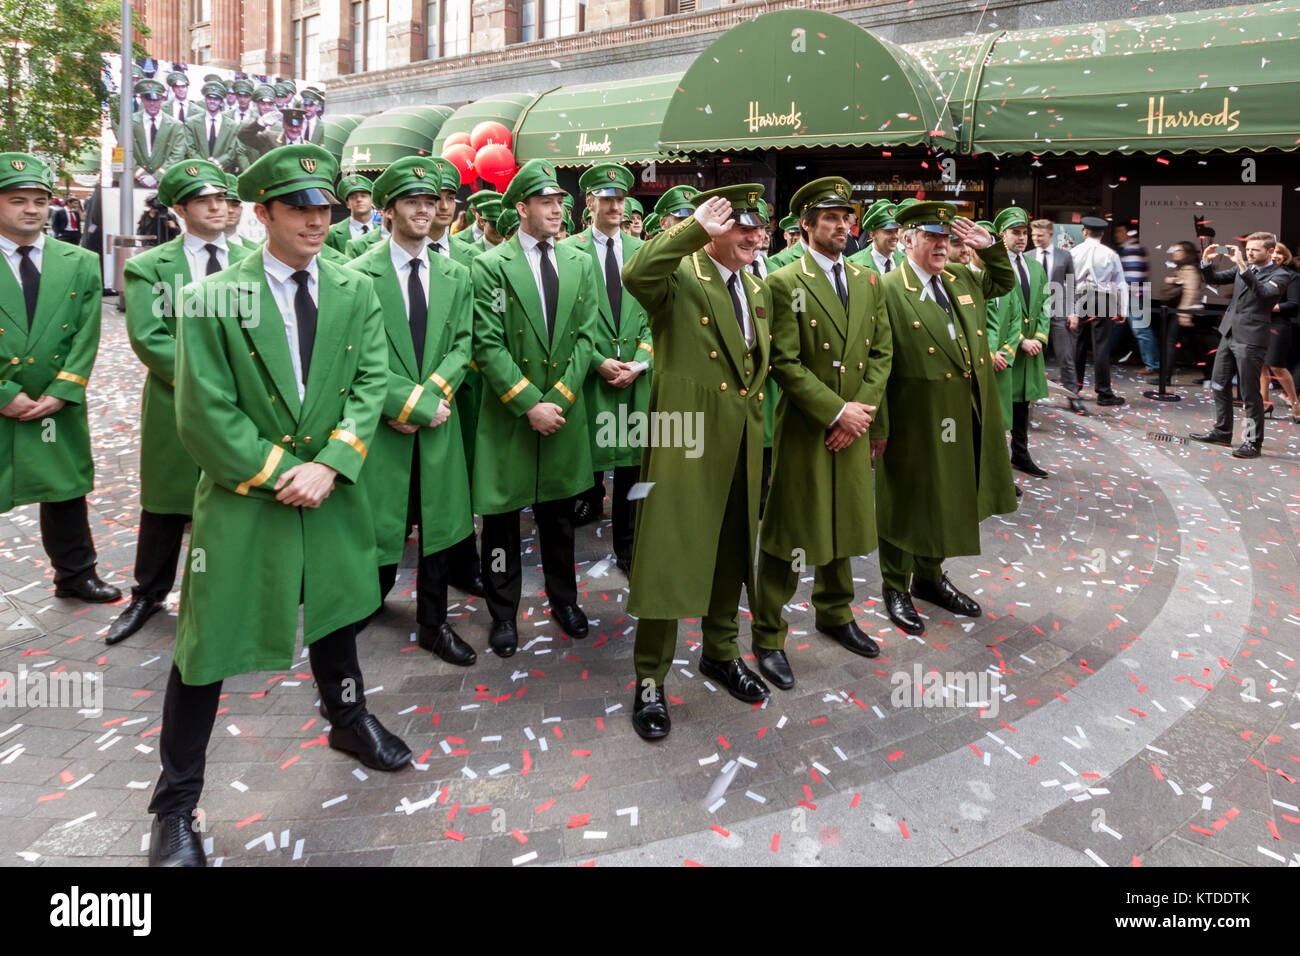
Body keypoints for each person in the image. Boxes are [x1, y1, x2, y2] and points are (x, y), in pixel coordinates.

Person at [147, 144, 409, 867]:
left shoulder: (356, 290)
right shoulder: (211, 298)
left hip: (328, 488)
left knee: (337, 614)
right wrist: (280, 472)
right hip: (245, 497)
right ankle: (174, 806)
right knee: (205, 647)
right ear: (260, 212)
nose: (317, 219)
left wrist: (332, 464)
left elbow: (371, 382)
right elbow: (204, 415)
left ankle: (349, 717)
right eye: (298, 207)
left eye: (324, 205)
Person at [622, 184, 774, 741]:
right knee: (670, 554)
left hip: (738, 438)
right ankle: (649, 678)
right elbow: (636, 274)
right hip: (685, 437)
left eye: (759, 229)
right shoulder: (682, 274)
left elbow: (762, 362)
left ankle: (720, 651)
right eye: (742, 228)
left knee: (731, 551)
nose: (755, 237)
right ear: (714, 231)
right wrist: (689, 231)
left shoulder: (757, 289)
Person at [751, 177, 891, 690]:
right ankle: (768, 635)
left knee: (846, 522)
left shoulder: (867, 281)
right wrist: (836, 413)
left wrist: (862, 413)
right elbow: (783, 363)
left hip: (853, 424)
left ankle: (835, 612)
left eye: (845, 216)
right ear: (805, 225)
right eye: (828, 217)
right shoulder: (784, 281)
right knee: (790, 531)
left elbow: (882, 352)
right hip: (808, 428)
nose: (841, 225)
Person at [108, 161, 251, 645]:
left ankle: (234, 591)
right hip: (177, 402)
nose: (218, 208)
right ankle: (148, 594)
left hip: (245, 404)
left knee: (240, 496)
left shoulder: (254, 257)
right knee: (167, 502)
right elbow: (149, 339)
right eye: (205, 200)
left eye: (224, 199)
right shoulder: (151, 267)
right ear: (179, 208)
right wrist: (211, 383)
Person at [349, 157, 477, 665]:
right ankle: (366, 599)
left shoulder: (456, 274)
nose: (425, 210)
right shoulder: (356, 276)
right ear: (388, 210)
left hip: (437, 420)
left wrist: (428, 402)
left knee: (439, 528)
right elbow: (354, 355)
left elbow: (463, 345)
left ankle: (434, 621)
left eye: (431, 201)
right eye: (412, 202)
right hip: (385, 424)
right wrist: (403, 404)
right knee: (381, 519)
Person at [869, 202, 1018, 635]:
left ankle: (929, 577)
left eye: (945, 237)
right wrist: (879, 425)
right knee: (905, 500)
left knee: (948, 495)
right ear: (908, 240)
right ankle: (895, 586)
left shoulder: (959, 276)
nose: (941, 245)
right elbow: (875, 361)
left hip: (962, 409)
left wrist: (989, 247)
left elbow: (1003, 281)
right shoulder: (886, 288)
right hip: (914, 414)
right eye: (930, 236)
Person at [470, 159, 598, 658]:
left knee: (559, 518)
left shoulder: (577, 261)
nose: (556, 210)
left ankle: (564, 600)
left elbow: (586, 336)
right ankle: (503, 613)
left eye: (560, 202)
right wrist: (530, 404)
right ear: (521, 208)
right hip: (511, 415)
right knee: (501, 521)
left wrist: (560, 398)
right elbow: (488, 342)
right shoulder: (489, 266)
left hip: (562, 413)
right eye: (546, 202)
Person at [0, 152, 121, 604]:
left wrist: (64, 389)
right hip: (3, 399)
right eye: (18, 200)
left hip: (55, 402)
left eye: (39, 200)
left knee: (65, 490)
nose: (31, 209)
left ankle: (76, 575)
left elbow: (87, 332)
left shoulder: (79, 261)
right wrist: (3, 393)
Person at [565, 164, 651, 575]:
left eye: (620, 199)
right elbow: (565, 319)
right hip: (589, 377)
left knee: (633, 467)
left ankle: (630, 549)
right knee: (580, 464)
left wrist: (642, 359)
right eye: (607, 199)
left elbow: (657, 312)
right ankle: (565, 554)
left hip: (635, 378)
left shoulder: (642, 250)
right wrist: (598, 361)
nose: (615, 206)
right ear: (590, 203)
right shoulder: (569, 249)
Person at [1190, 232, 1292, 457]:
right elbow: (1214, 279)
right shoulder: (1242, 268)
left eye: (1255, 250)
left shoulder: (1281, 274)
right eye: (1248, 249)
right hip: (1229, 333)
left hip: (1252, 338)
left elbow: (1264, 293)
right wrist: (1206, 261)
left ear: (1270, 251)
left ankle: (1253, 442)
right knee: (1219, 383)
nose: (1249, 253)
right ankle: (1222, 431)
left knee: (1249, 393)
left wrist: (1242, 266)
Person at [987, 206, 1052, 480]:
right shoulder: (996, 267)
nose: (1022, 238)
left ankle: (1021, 453)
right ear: (1002, 235)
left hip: (1029, 350)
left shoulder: (1035, 267)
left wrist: (1039, 337)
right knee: (1002, 407)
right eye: (1016, 232)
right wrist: (1022, 340)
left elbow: (1047, 303)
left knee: (1023, 404)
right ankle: (999, 465)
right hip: (1008, 347)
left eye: (1025, 233)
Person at [1029, 217, 1084, 414]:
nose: (1035, 238)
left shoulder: (1064, 256)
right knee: (1033, 359)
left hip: (1059, 312)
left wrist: (1074, 311)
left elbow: (1072, 285)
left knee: (1066, 357)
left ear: (1050, 235)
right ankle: (1031, 398)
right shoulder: (1027, 256)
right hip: (1034, 315)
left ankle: (1073, 397)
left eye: (1040, 235)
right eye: (1033, 234)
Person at [1071, 216, 1127, 407]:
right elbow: (1120, 283)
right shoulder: (1110, 254)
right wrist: (1122, 309)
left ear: (1084, 232)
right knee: (1101, 347)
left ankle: (1074, 388)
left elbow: (1067, 281)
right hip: (1103, 297)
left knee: (1078, 343)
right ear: (1102, 234)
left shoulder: (1074, 252)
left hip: (1079, 296)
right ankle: (1104, 393)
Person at [1259, 242, 1300, 416]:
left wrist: (1268, 306)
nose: (1275, 256)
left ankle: (1295, 403)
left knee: (1277, 366)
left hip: (1280, 324)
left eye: (1279, 253)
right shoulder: (1262, 273)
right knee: (1261, 365)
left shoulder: (1292, 276)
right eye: (1272, 252)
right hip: (1260, 322)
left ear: (1285, 256)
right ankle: (1265, 403)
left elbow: (1293, 304)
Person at [1115, 222, 1159, 376]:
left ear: (1129, 233)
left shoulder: (1133, 249)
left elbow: (1134, 277)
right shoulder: (1130, 249)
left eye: (1120, 231)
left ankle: (1152, 364)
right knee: (1122, 328)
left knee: (1142, 330)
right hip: (1133, 296)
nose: (1117, 234)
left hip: (1134, 296)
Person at [132, 79, 189, 188]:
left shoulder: (175, 125)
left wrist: (157, 177)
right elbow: (123, 151)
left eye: (156, 99)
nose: (152, 103)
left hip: (164, 183)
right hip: (136, 183)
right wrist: (140, 174)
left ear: (162, 100)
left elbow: (178, 154)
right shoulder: (129, 122)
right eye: (148, 99)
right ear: (142, 99)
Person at [184, 79, 241, 171]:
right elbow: (190, 148)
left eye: (216, 99)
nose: (212, 101)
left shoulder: (232, 125)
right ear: (205, 100)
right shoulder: (192, 123)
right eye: (209, 98)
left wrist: (217, 163)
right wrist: (203, 165)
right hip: (198, 170)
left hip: (222, 170)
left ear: (221, 102)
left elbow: (232, 150)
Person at [847, 200, 902, 275]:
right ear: (872, 235)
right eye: (889, 232)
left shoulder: (905, 261)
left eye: (896, 231)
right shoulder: (854, 264)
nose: (895, 236)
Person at [325, 173, 374, 253]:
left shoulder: (383, 232)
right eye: (353, 197)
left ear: (372, 201)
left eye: (363, 196)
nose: (359, 200)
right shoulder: (332, 234)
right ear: (347, 204)